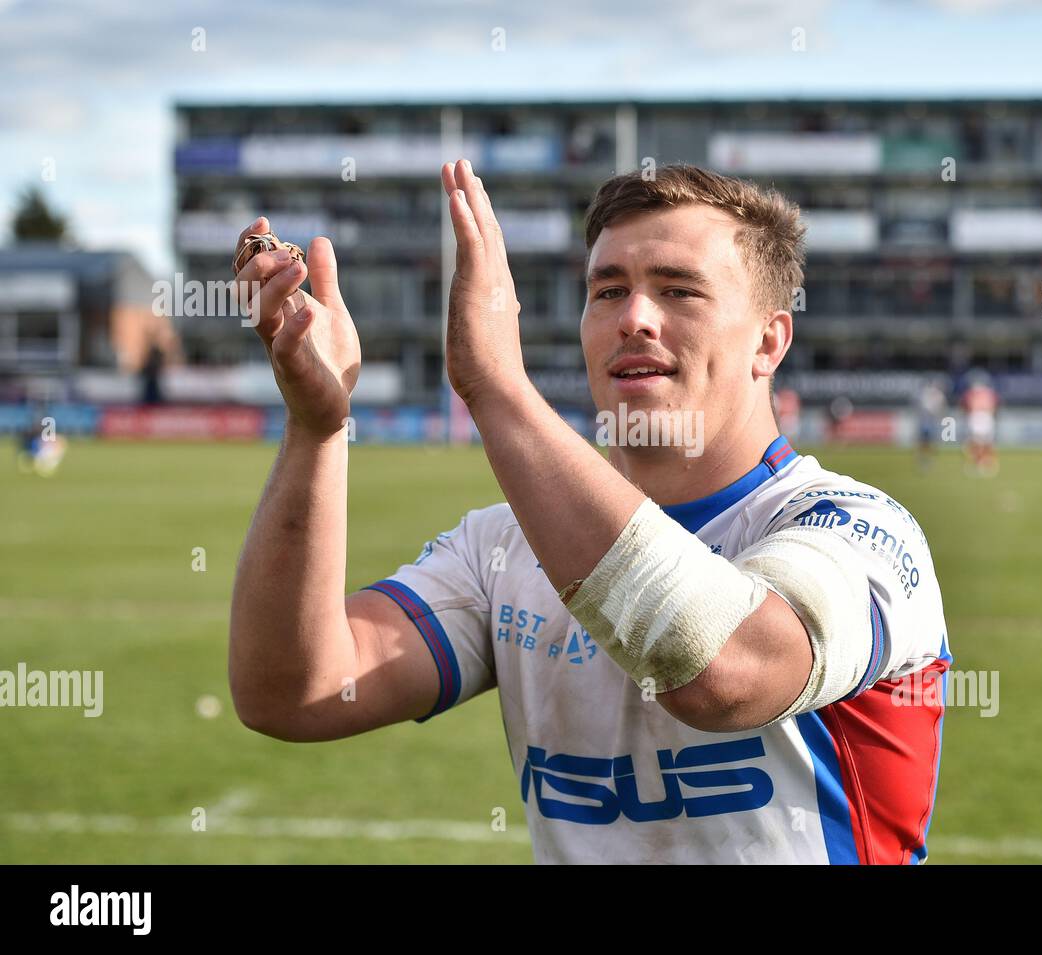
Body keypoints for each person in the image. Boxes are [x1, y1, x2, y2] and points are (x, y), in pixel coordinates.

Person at [227, 162, 952, 865]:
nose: (634, 317)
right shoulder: (505, 546)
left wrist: (497, 388)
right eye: (608, 291)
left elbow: (724, 672)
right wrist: (317, 428)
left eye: (679, 291)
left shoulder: (861, 533)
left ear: (769, 340)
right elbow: (295, 690)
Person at [961, 374, 999, 477]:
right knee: (985, 442)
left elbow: (964, 406)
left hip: (976, 416)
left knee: (977, 442)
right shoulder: (989, 392)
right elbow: (995, 406)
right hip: (986, 416)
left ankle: (981, 463)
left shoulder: (970, 393)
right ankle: (986, 462)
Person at [915, 379, 946, 472]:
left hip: (932, 420)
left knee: (930, 441)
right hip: (927, 419)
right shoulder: (926, 394)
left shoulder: (937, 395)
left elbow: (940, 408)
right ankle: (923, 458)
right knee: (925, 441)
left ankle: (927, 459)